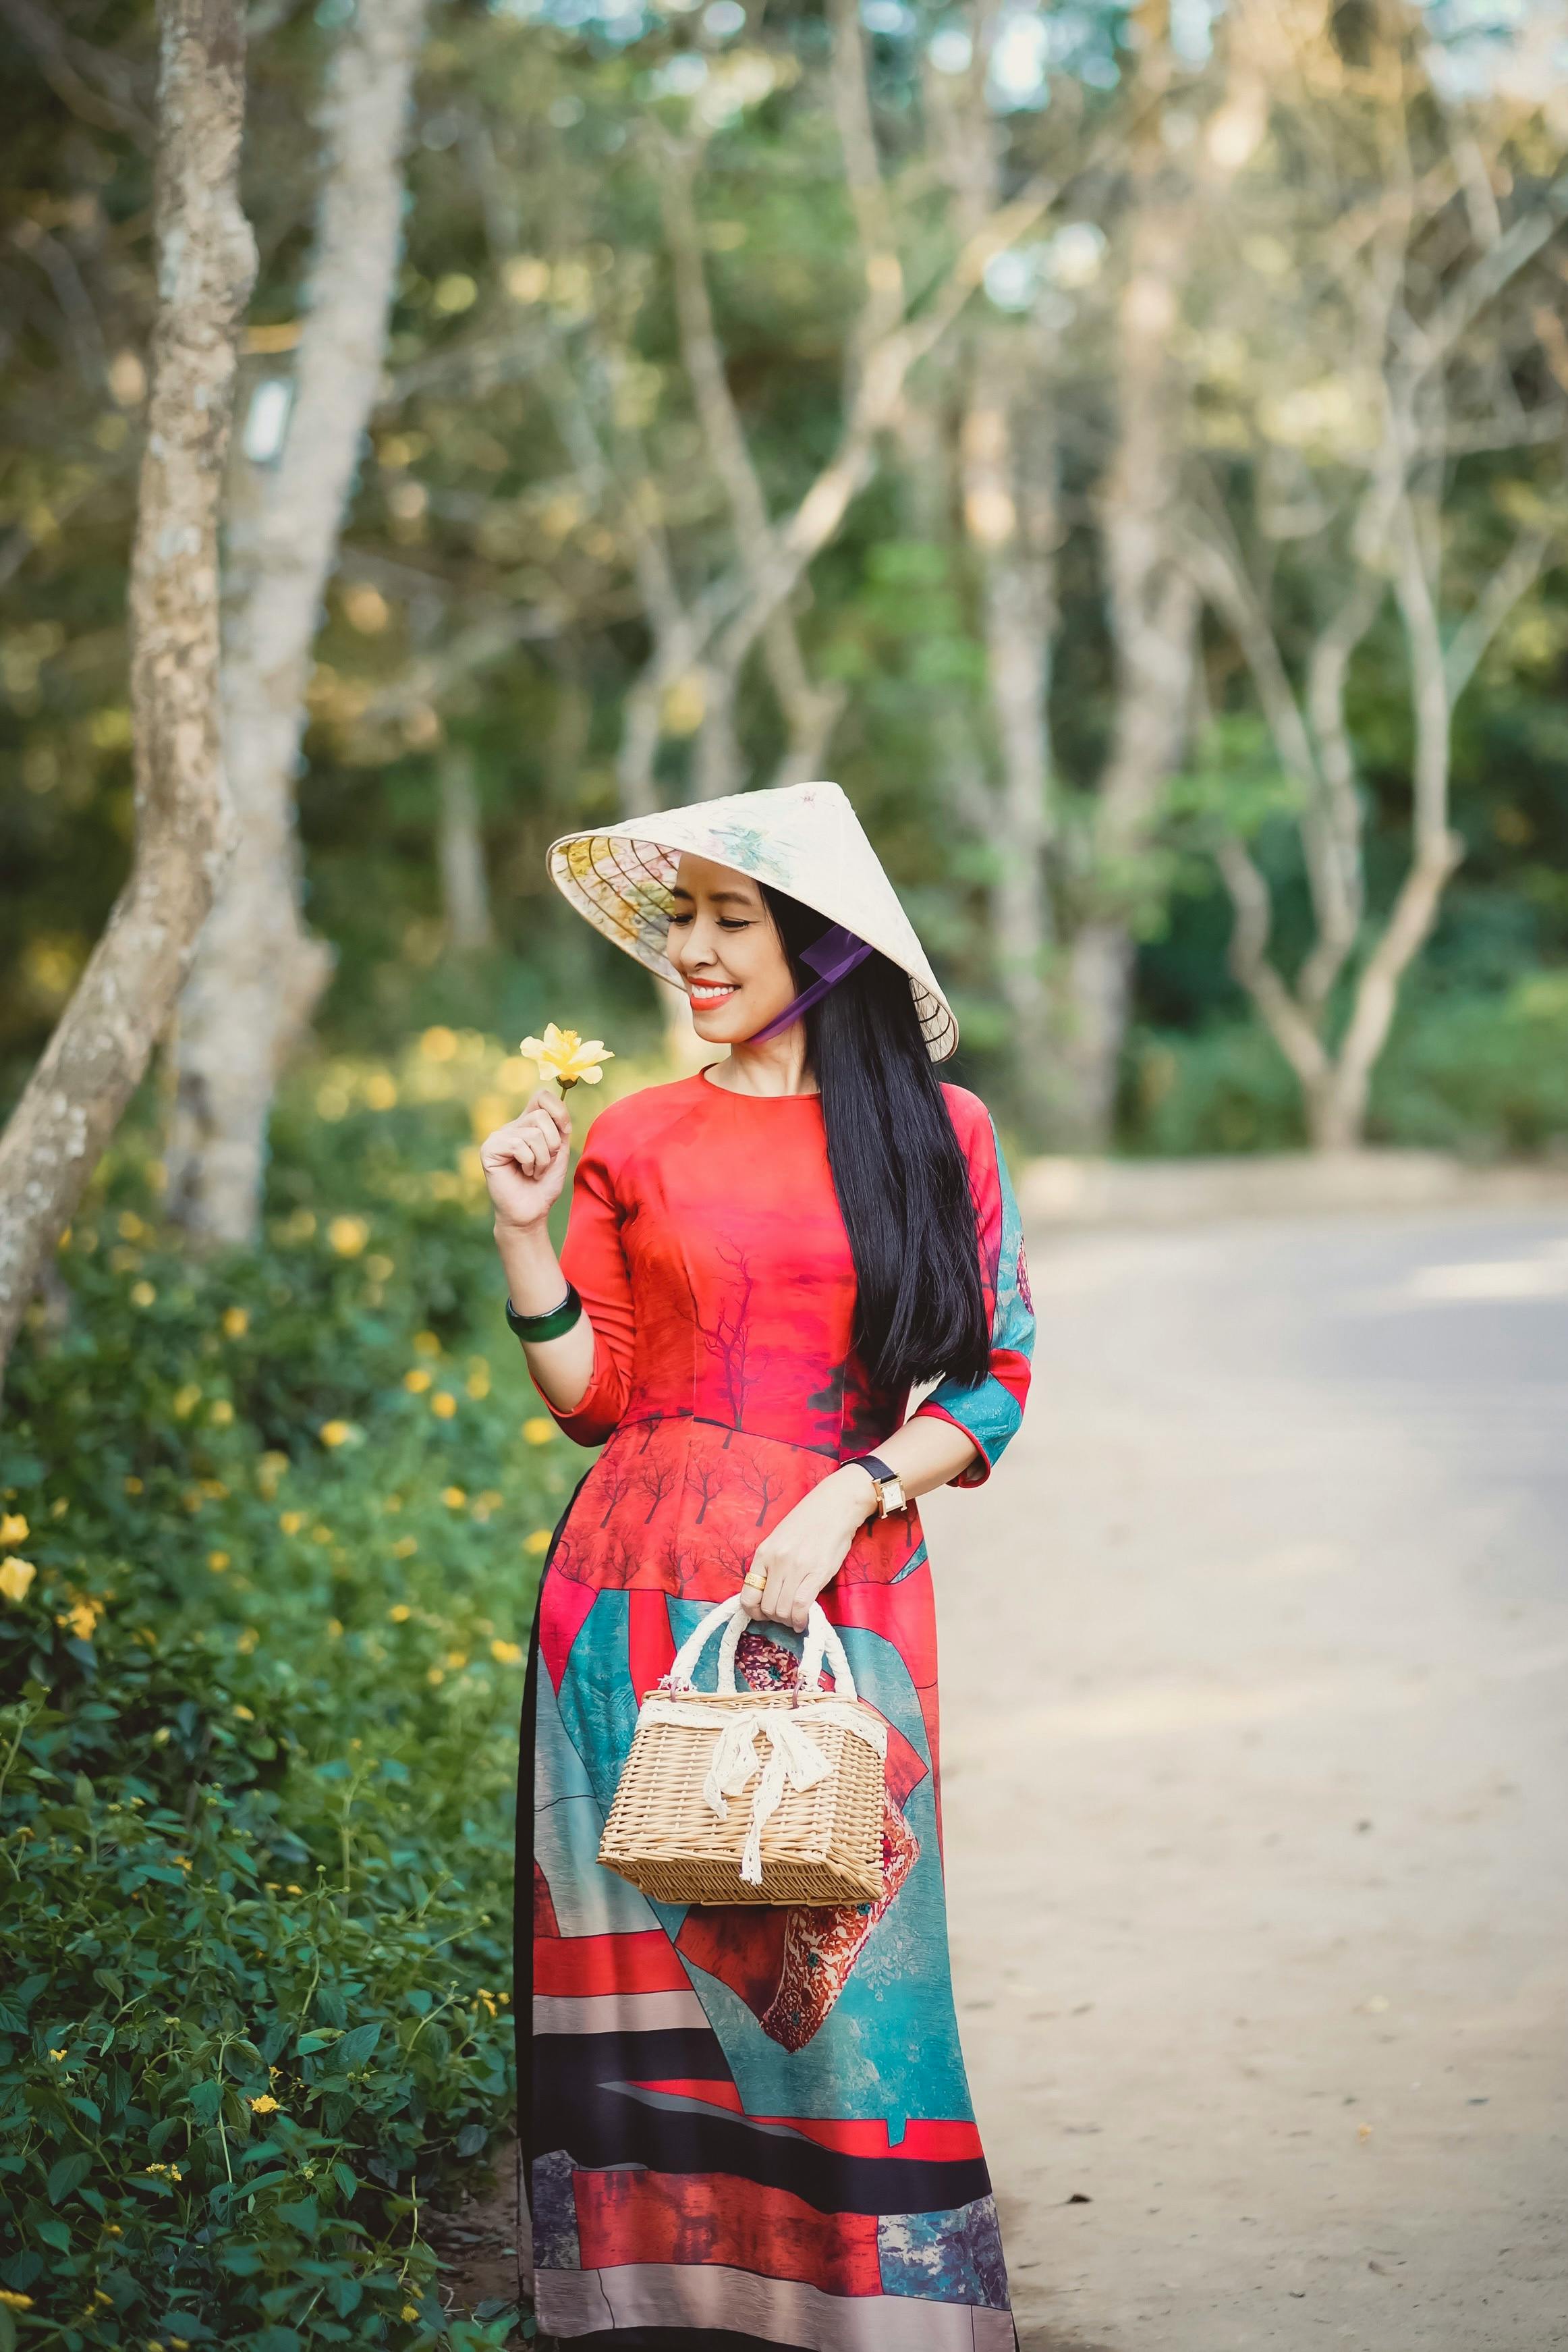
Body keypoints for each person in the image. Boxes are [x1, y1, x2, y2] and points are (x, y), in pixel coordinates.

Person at [481, 780, 1034, 2350]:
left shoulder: (941, 1131)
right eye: (684, 922)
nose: (695, 954)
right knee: (633, 1969)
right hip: (623, 1600)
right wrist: (527, 1238)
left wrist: (850, 1492)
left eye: (734, 920)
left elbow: (994, 1381)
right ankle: (662, 2308)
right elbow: (597, 1400)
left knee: (846, 1971)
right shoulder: (638, 1135)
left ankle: (875, 2316)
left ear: (826, 943)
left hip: (838, 1602)